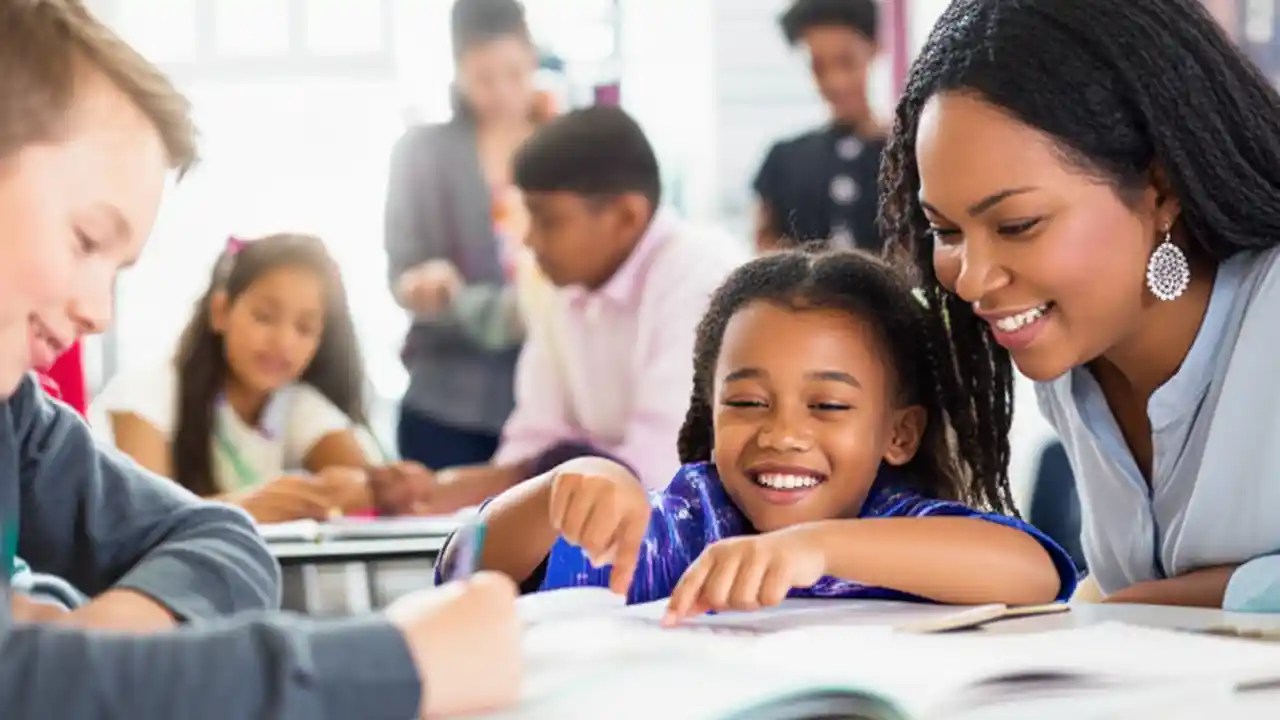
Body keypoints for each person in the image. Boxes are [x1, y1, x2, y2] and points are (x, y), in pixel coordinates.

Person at [0, 2, 518, 717]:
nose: (99, 312)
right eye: (87, 239)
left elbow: (221, 537)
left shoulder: (16, 418)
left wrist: (97, 649)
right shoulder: (146, 392)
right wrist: (398, 663)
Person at [880, 0, 1280, 611]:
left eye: (1017, 225)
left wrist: (1148, 607)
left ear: (1160, 188)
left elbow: (1132, 605)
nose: (974, 280)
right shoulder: (1070, 354)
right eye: (947, 231)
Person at [440, 250, 1077, 620]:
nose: (782, 434)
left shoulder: (895, 518)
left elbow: (1035, 574)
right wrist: (566, 490)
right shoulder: (688, 527)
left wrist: (818, 549)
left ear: (900, 435)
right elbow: (469, 571)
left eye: (827, 405)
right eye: (747, 401)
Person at [420, 106, 747, 511]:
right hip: (600, 522)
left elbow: (662, 469)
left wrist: (499, 484)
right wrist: (446, 494)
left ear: (626, 216)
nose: (529, 241)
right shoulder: (564, 285)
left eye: (548, 221)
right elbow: (535, 435)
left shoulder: (700, 276)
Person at [98, 234, 427, 523]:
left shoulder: (296, 404)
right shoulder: (146, 393)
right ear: (220, 312)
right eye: (265, 317)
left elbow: (362, 486)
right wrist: (249, 506)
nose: (284, 342)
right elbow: (142, 520)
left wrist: (380, 487)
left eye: (305, 328)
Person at [386, 0, 540, 469]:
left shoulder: (566, 146)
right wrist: (424, 284)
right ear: (458, 73)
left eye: (514, 73)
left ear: (533, 59)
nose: (502, 92)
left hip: (546, 403)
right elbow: (402, 270)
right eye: (484, 77)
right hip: (447, 402)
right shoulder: (422, 152)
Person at [753, 0, 884, 254]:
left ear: (874, 50)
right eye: (818, 66)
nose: (835, 82)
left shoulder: (909, 153)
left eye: (846, 61)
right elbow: (763, 247)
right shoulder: (783, 159)